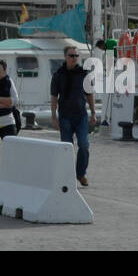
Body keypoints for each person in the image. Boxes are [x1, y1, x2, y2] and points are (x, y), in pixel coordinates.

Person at [50, 46, 97, 186]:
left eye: (76, 55)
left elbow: (89, 94)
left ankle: (81, 174)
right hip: (65, 116)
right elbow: (53, 96)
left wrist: (93, 113)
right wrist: (53, 116)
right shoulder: (58, 74)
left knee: (84, 144)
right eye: (71, 55)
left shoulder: (84, 74)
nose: (74, 58)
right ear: (65, 56)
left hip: (81, 115)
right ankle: (68, 175)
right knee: (67, 147)